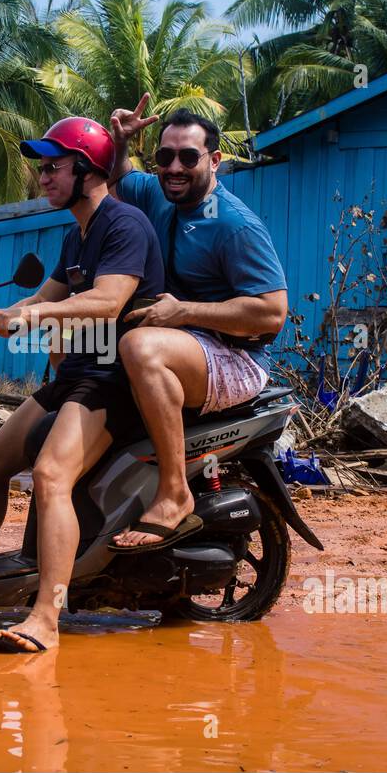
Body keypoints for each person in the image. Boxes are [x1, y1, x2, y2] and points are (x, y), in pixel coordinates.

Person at [0, 116, 164, 652]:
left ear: (88, 170)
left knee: (49, 476)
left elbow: (107, 301)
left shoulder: (123, 225)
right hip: (76, 374)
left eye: (53, 166)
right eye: (41, 167)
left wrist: (36, 318)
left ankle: (45, 621)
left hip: (113, 380)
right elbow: (41, 298)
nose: (42, 177)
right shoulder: (76, 234)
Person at [106, 94, 289, 552]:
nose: (174, 167)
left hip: (235, 358)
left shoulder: (234, 225)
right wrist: (120, 143)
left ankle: (174, 492)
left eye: (189, 157)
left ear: (215, 160)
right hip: (183, 347)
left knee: (139, 347)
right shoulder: (160, 195)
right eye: (164, 157)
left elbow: (272, 312)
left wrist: (184, 311)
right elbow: (119, 179)